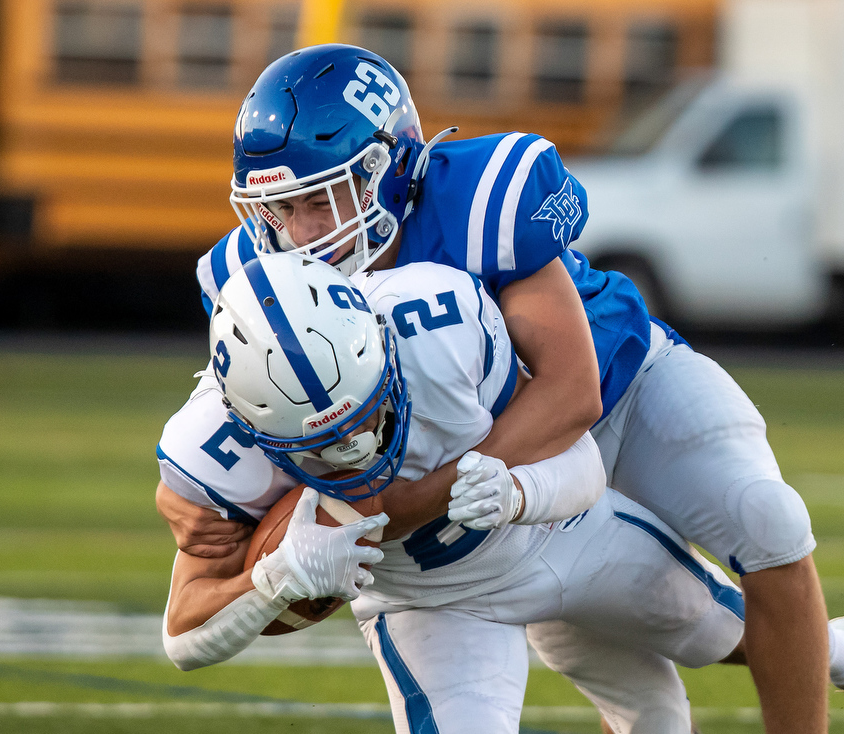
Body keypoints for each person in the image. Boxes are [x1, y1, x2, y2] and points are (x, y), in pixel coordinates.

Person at [179, 43, 829, 732]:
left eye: (319, 199)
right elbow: (251, 424)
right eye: (278, 208)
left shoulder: (479, 198)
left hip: (622, 388)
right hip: (488, 516)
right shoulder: (250, 279)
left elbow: (571, 390)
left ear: (390, 169)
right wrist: (196, 506)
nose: (300, 233)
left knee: (766, 518)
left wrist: (407, 503)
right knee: (638, 679)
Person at [158, 253, 747, 733]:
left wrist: (518, 492)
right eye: (323, 444)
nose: (358, 449)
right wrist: (275, 578)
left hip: (559, 535)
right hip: (429, 606)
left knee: (732, 630)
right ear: (248, 422)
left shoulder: (438, 322)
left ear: (381, 343)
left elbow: (579, 456)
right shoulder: (214, 448)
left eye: (366, 414)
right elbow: (183, 636)